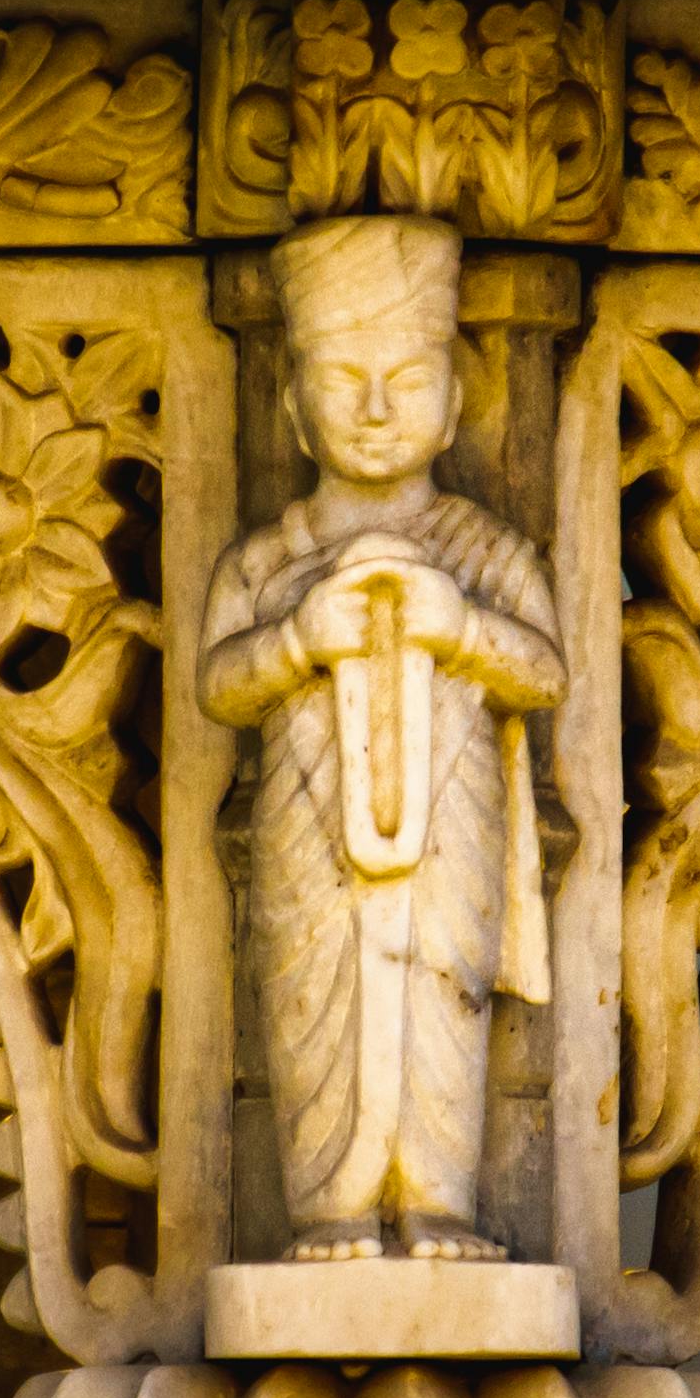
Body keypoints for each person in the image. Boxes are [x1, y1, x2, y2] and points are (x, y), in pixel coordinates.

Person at [195, 216, 567, 1261]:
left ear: (452, 405)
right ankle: (331, 1211)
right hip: (308, 835)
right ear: (292, 410)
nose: (370, 409)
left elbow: (545, 671)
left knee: (440, 987)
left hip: (453, 828)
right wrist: (297, 642)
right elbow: (218, 682)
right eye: (340, 378)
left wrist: (465, 629)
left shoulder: (480, 549)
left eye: (403, 381)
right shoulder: (271, 561)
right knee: (318, 988)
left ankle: (438, 1203)